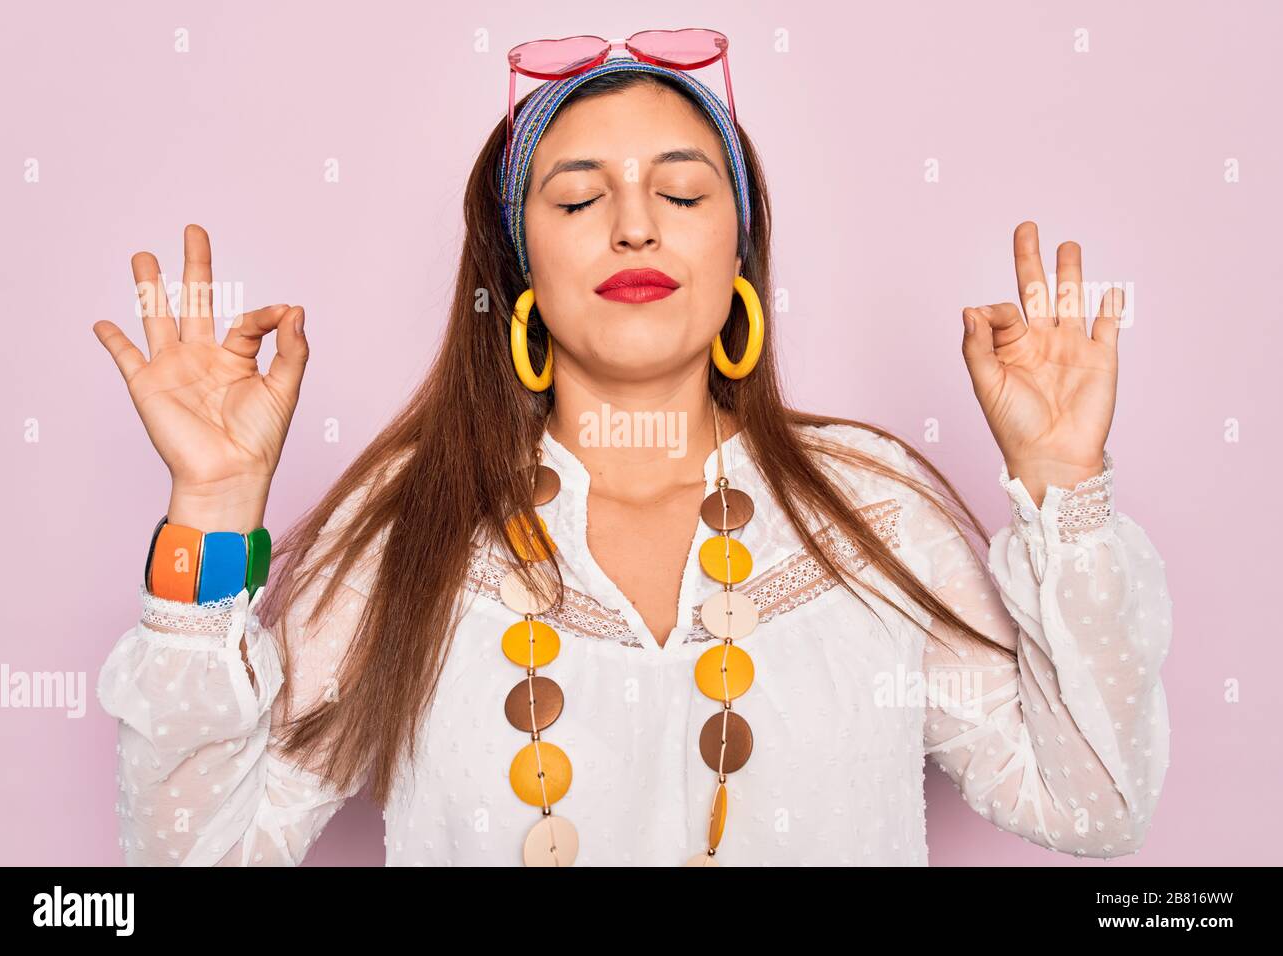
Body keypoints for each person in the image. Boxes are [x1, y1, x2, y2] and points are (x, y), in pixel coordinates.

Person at [91, 44, 1172, 866]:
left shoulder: (870, 509)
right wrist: (214, 503)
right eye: (576, 198)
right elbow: (194, 852)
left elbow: (1094, 802)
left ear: (736, 247)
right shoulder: (414, 518)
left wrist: (1067, 481)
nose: (635, 226)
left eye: (684, 192)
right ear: (517, 269)